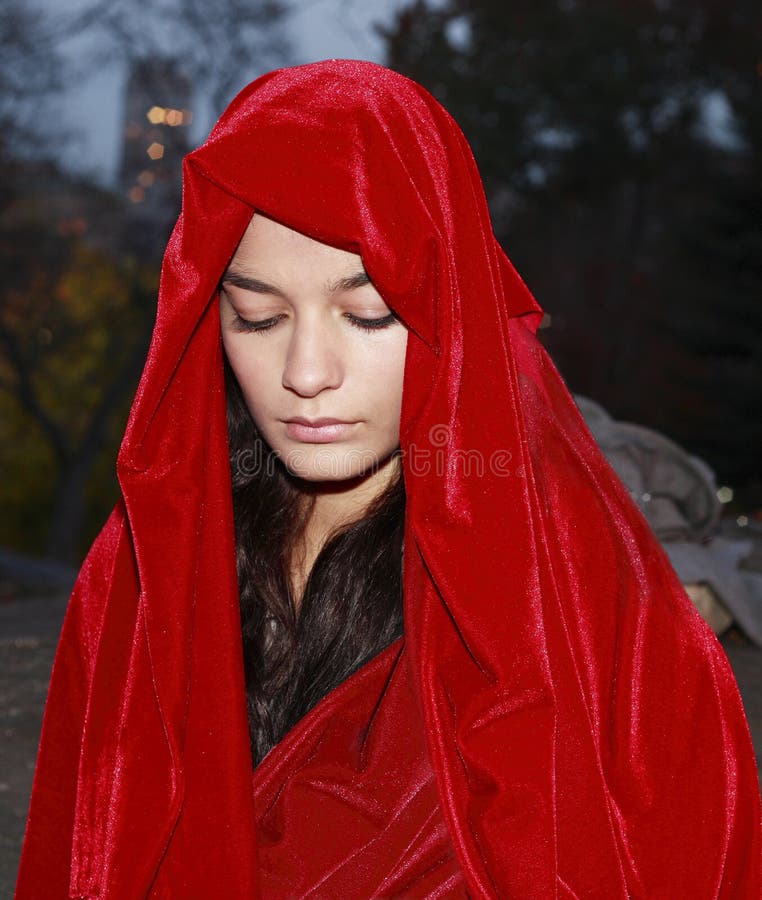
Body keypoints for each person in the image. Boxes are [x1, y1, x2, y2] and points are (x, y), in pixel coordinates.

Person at [15, 60, 761, 898]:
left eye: (369, 314)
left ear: (451, 310)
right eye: (256, 315)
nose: (304, 372)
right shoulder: (143, 572)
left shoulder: (580, 597)